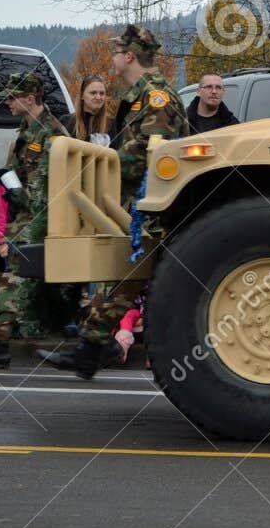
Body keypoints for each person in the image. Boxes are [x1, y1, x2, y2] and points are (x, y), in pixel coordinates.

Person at [44, 24, 190, 378]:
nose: (111, 58)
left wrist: (99, 167)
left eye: (116, 52)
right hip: (146, 206)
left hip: (157, 207)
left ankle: (98, 349)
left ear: (129, 57)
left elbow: (153, 155)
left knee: (146, 279)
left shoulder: (156, 96)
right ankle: (92, 349)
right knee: (129, 278)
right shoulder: (141, 94)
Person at [0, 73, 71, 368]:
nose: (7, 102)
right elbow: (18, 173)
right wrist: (9, 183)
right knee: (29, 281)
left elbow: (52, 188)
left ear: (30, 99)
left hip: (39, 219)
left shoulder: (52, 134)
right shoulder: (28, 129)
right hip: (23, 217)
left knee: (14, 281)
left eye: (12, 97)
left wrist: (18, 193)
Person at [74, 74, 114, 145]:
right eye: (93, 93)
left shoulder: (113, 126)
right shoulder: (67, 122)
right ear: (82, 96)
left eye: (102, 94)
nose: (98, 97)